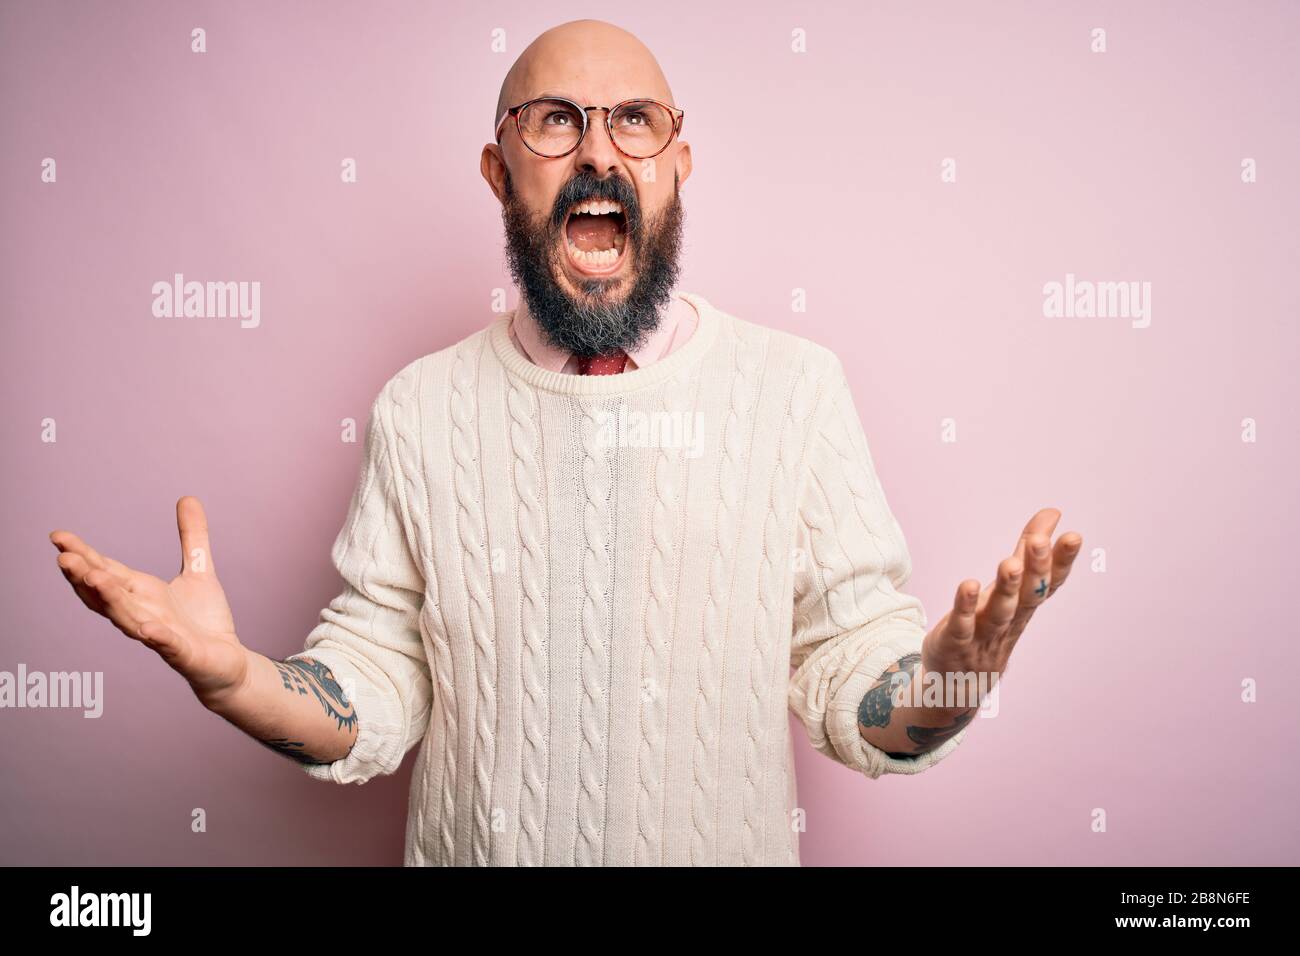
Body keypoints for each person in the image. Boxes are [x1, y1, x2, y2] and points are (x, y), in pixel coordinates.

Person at [50, 19, 1083, 866]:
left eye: (634, 122)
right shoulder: (420, 408)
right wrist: (234, 679)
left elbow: (853, 675)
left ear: (678, 167)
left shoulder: (795, 391)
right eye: (557, 122)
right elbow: (374, 678)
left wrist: (945, 684)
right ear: (501, 175)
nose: (598, 150)